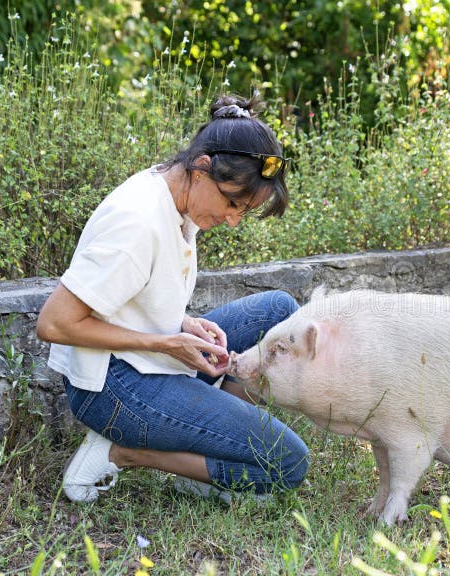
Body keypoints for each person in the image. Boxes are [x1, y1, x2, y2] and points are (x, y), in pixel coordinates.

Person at [36, 94, 309, 503]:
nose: (233, 220)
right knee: (286, 463)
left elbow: (133, 295)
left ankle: (203, 448)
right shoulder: (138, 222)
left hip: (144, 362)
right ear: (201, 168)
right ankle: (127, 451)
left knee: (279, 312)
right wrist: (165, 343)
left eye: (244, 210)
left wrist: (183, 324)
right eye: (232, 203)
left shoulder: (177, 194)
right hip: (111, 389)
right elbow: (53, 324)